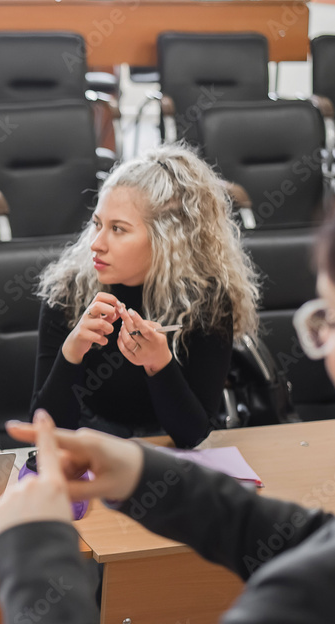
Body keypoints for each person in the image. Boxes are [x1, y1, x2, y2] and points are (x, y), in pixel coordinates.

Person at [0, 176, 335, 624]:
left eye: (328, 317)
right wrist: (146, 473)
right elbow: (308, 539)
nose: (322, 343)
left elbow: (328, 559)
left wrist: (34, 555)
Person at [32, 144, 259, 448]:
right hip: (94, 448)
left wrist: (159, 364)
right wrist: (71, 352)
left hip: (169, 454)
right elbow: (44, 431)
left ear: (166, 241)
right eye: (97, 224)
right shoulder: (67, 290)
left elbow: (193, 433)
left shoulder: (206, 300)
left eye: (118, 229)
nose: (96, 244)